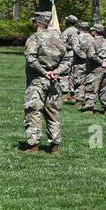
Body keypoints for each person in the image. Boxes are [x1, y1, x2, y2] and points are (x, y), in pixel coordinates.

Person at [23, 10, 71, 154]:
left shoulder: (34, 38)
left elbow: (31, 59)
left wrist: (45, 72)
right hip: (54, 81)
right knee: (53, 113)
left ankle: (33, 146)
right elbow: (68, 59)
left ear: (38, 23)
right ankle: (55, 146)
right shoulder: (59, 39)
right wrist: (56, 72)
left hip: (37, 81)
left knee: (33, 111)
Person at [81, 23, 106, 114]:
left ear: (95, 32)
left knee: (91, 88)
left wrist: (101, 62)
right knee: (105, 89)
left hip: (94, 70)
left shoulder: (91, 42)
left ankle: (89, 109)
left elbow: (91, 55)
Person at [60, 15, 80, 101]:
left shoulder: (66, 31)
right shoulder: (78, 31)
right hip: (78, 55)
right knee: (74, 74)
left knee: (64, 74)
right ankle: (73, 95)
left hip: (68, 55)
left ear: (69, 22)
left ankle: (64, 94)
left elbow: (61, 44)